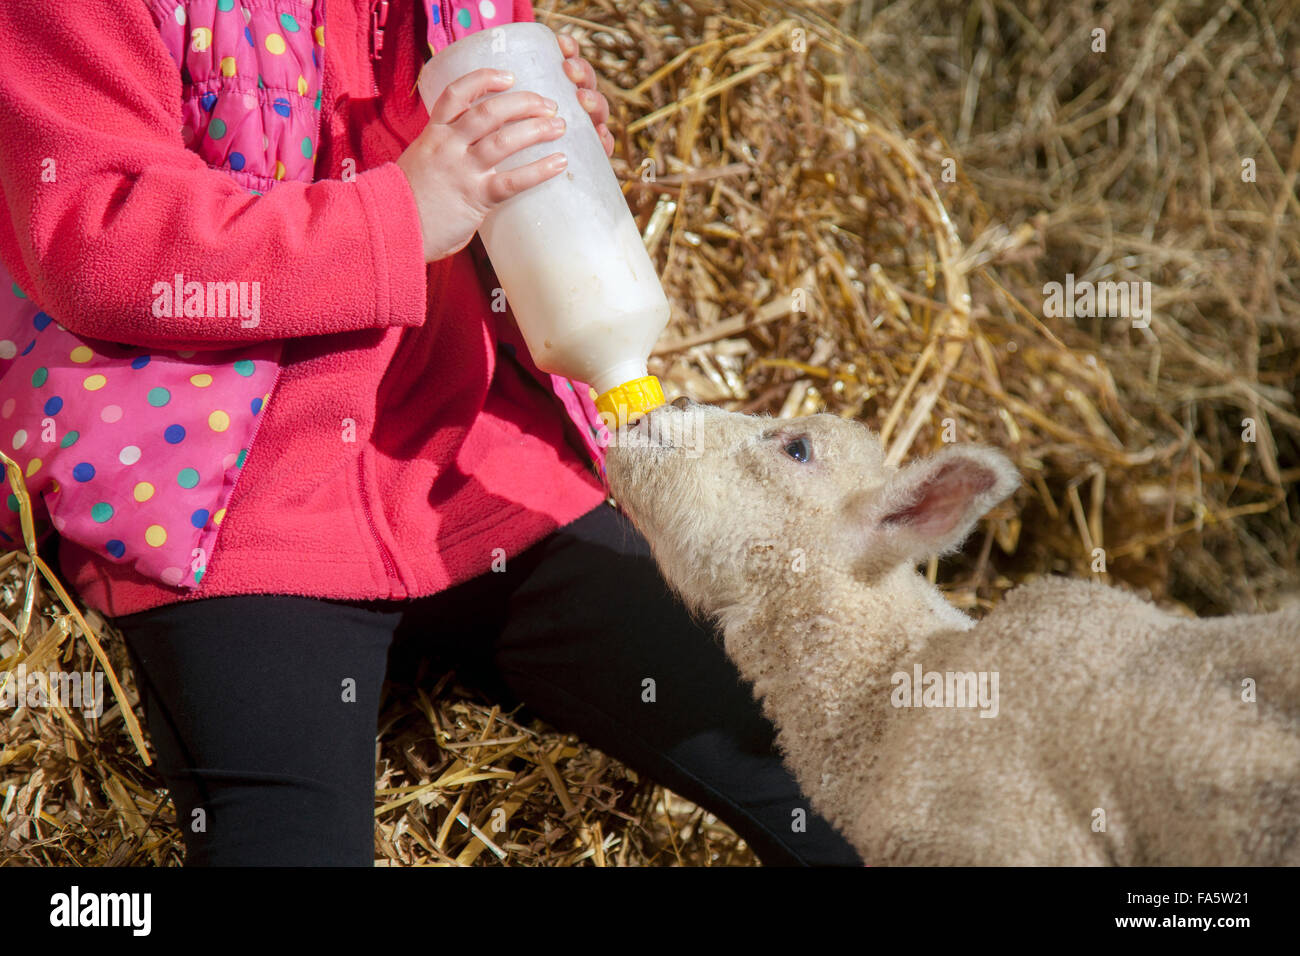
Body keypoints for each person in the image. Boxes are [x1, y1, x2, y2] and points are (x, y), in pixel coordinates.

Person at [0, 0, 862, 866]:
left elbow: (478, 210)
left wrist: (544, 169)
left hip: (475, 464)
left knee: (804, 757)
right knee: (287, 839)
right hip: (233, 510)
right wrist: (402, 212)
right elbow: (96, 239)